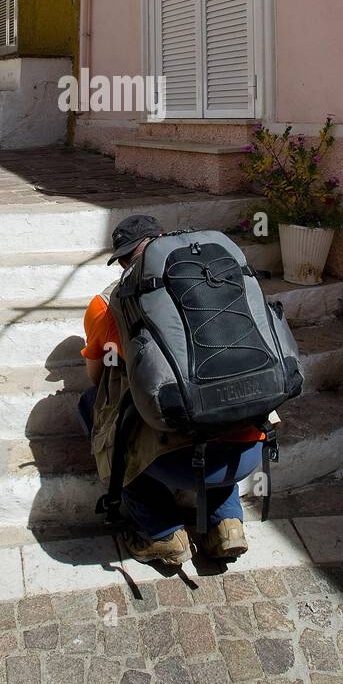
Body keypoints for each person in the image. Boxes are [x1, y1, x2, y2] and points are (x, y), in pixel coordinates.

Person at [79, 215, 265, 568]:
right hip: (249, 452)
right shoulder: (224, 277)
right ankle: (226, 523)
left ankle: (160, 532)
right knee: (219, 413)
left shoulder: (105, 306)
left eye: (121, 259)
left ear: (124, 260)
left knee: (91, 405)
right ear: (164, 241)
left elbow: (96, 379)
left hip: (177, 463)